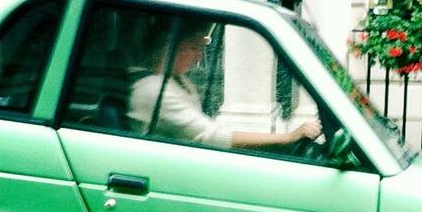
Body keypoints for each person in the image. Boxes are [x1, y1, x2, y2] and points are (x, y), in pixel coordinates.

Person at [128, 22, 321, 151]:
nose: (198, 56)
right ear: (168, 45)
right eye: (193, 47)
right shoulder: (153, 89)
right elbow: (210, 135)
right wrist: (287, 137)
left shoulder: (176, 81)